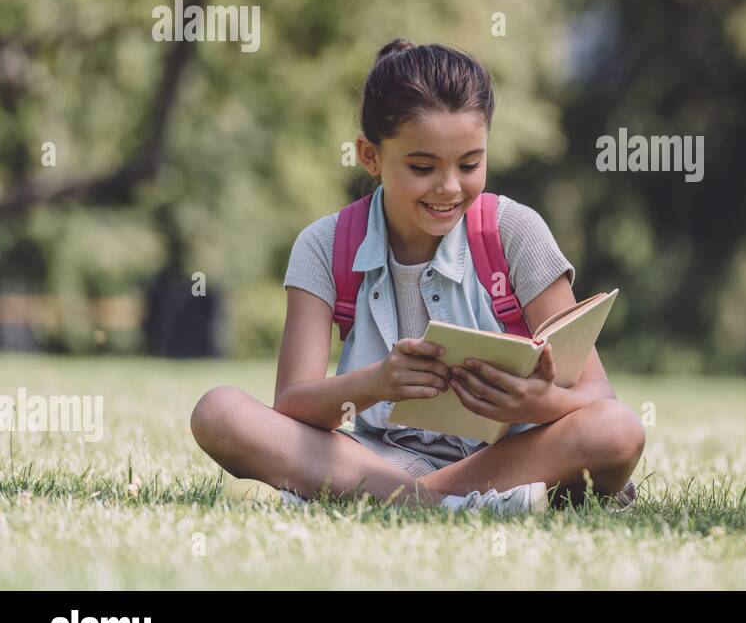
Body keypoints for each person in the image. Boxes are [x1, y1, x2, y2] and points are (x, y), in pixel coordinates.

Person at [190, 39, 644, 515]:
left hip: (510, 458)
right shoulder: (323, 246)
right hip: (377, 460)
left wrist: (537, 403)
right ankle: (455, 504)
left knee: (617, 430)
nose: (449, 187)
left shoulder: (514, 231)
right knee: (219, 412)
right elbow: (293, 404)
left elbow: (597, 392)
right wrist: (378, 382)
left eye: (470, 164)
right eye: (423, 167)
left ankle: (397, 501)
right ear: (370, 156)